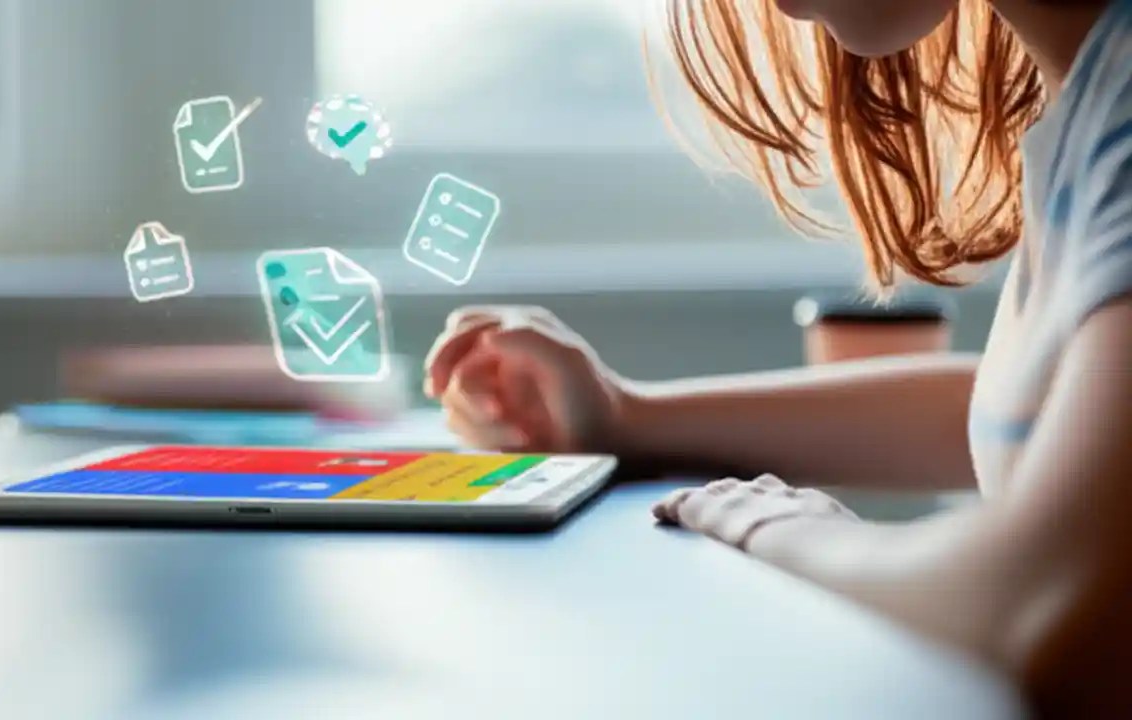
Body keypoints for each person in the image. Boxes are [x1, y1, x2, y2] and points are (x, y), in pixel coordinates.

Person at [423, 0, 1132, 715]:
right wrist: (626, 417)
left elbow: (1053, 602)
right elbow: (1042, 421)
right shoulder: (1093, 89)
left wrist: (788, 533)